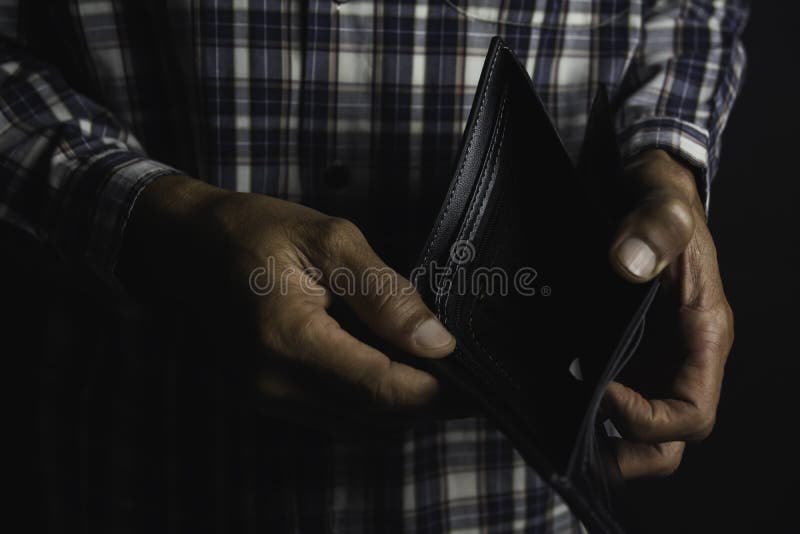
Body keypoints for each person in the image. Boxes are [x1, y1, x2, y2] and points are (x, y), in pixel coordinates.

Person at [1, 1, 746, 532]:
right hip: (143, 469)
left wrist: (666, 161)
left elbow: (694, 17)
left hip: (515, 495)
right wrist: (157, 221)